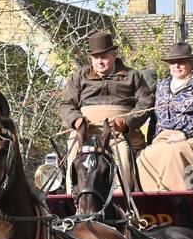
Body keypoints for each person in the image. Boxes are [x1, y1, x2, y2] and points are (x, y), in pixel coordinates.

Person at [58, 31, 154, 195]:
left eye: (103, 57)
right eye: (95, 58)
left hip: (119, 134)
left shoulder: (132, 76)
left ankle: (121, 204)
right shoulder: (79, 77)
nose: (99, 62)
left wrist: (126, 121)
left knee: (123, 162)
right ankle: (73, 200)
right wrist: (76, 121)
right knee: (73, 158)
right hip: (85, 133)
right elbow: (66, 104)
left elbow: (146, 102)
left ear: (114, 55)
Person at [136, 41, 193, 192]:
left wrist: (185, 133)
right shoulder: (162, 86)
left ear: (191, 64)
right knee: (144, 156)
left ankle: (182, 198)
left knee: (175, 153)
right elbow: (155, 118)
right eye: (172, 62)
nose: (176, 65)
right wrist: (150, 141)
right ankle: (150, 200)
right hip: (164, 138)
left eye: (181, 62)